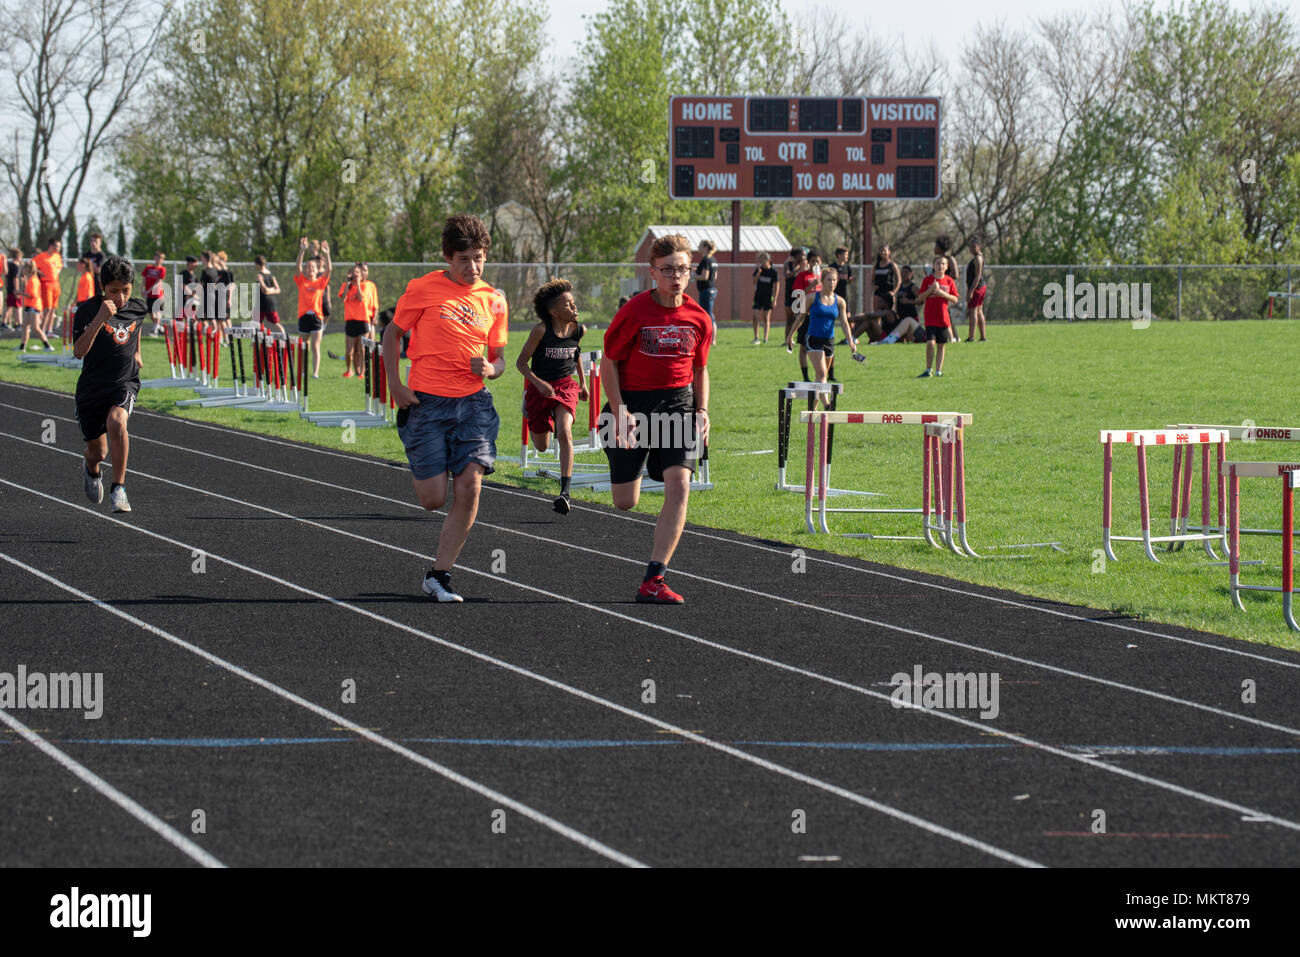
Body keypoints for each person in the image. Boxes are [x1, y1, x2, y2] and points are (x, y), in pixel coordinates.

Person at [384, 214, 507, 603]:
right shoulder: (423, 289)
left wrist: (491, 368)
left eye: (479, 258)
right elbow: (392, 334)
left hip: (473, 404)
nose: (473, 267)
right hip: (427, 403)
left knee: (470, 487)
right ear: (449, 258)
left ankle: (440, 574)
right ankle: (417, 442)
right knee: (433, 499)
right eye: (464, 259)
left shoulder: (494, 300)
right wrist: (396, 386)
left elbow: (499, 359)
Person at [600, 233, 710, 605]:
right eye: (667, 270)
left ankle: (654, 579)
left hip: (679, 405)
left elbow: (700, 369)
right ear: (652, 273)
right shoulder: (633, 312)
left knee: (680, 485)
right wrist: (618, 410)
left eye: (682, 269)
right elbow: (608, 362)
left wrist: (702, 410)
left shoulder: (698, 317)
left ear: (690, 271)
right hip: (632, 405)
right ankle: (629, 456)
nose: (675, 276)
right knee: (624, 502)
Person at [71, 256, 145, 513]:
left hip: (123, 383)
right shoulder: (87, 311)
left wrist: (137, 354)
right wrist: (101, 318)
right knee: (97, 452)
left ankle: (119, 488)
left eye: (125, 290)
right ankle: (91, 469)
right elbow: (79, 351)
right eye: (114, 291)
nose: (120, 297)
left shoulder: (138, 308)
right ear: (103, 288)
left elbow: (135, 329)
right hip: (92, 389)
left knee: (117, 422)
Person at [517, 277, 589, 514]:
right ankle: (530, 411)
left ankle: (565, 492)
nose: (574, 307)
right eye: (568, 304)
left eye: (574, 303)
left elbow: (576, 354)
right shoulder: (540, 331)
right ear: (553, 311)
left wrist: (583, 383)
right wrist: (538, 384)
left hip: (566, 386)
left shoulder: (579, 329)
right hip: (539, 389)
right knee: (542, 446)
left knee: (564, 431)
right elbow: (521, 363)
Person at [803, 264, 861, 403]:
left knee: (821, 376)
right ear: (822, 281)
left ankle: (813, 408)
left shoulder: (840, 301)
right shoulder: (812, 298)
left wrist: (850, 341)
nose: (832, 283)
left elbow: (844, 323)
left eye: (834, 280)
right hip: (813, 338)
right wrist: (790, 335)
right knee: (822, 374)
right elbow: (800, 316)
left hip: (829, 340)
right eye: (829, 280)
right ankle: (828, 406)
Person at [294, 238, 332, 377]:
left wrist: (327, 254)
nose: (310, 269)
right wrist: (302, 250)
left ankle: (315, 373)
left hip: (316, 317)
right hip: (303, 316)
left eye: (313, 267)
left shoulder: (320, 282)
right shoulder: (302, 281)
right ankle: (303, 371)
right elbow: (297, 267)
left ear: (317, 270)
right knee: (304, 346)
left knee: (315, 347)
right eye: (308, 267)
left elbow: (329, 270)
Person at [916, 255, 959, 377]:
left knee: (941, 345)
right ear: (933, 266)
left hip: (943, 318)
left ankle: (938, 371)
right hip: (930, 318)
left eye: (943, 264)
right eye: (938, 263)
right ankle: (928, 370)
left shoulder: (949, 281)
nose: (941, 266)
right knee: (930, 343)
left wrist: (942, 293)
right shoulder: (927, 280)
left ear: (947, 266)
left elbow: (955, 298)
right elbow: (920, 298)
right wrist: (931, 290)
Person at [785, 250, 822, 381]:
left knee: (823, 346)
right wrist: (811, 286)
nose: (815, 264)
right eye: (813, 261)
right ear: (808, 262)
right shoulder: (802, 276)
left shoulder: (823, 276)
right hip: (806, 315)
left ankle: (826, 374)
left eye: (818, 261)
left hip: (820, 316)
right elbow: (798, 296)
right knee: (804, 346)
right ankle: (806, 377)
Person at [339, 262, 378, 377]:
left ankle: (361, 372)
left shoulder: (366, 286)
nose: (355, 274)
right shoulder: (346, 285)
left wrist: (358, 284)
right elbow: (343, 299)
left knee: (362, 349)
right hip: (350, 320)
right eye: (353, 272)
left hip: (363, 320)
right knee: (349, 351)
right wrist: (348, 284)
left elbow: (361, 299)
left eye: (357, 273)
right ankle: (349, 370)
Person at [867, 265, 923, 344]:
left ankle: (887, 341)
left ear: (911, 274)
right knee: (902, 340)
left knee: (911, 340)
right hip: (901, 317)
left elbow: (921, 301)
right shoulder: (900, 286)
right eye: (902, 272)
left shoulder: (913, 287)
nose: (904, 274)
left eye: (906, 272)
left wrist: (909, 301)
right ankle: (887, 341)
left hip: (911, 316)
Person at [17, 261, 52, 351]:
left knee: (35, 328)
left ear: (29, 269)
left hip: (34, 306)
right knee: (25, 326)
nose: (23, 270)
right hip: (29, 306)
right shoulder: (30, 279)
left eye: (24, 268)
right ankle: (22, 346)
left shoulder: (33, 280)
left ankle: (47, 345)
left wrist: (20, 293)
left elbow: (32, 295)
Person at [32, 238, 62, 337]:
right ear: (51, 246)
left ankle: (49, 331)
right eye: (57, 246)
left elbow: (59, 267)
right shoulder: (42, 256)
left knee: (53, 308)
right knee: (47, 308)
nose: (59, 248)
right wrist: (40, 273)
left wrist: (56, 272)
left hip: (56, 284)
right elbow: (32, 265)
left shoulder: (57, 256)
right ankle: (42, 330)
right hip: (46, 284)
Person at [934, 235, 961, 341]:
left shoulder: (950, 259)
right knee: (945, 314)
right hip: (937, 290)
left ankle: (954, 337)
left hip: (946, 290)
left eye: (935, 245)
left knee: (946, 313)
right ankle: (954, 336)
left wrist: (944, 279)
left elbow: (956, 275)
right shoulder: (936, 260)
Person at [751, 252, 779, 344]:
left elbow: (776, 286)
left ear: (769, 260)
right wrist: (758, 273)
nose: (762, 262)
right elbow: (754, 282)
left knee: (766, 317)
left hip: (768, 297)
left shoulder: (773, 272)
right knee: (755, 316)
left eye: (764, 259)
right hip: (758, 296)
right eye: (761, 259)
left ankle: (765, 339)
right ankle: (756, 338)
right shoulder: (758, 270)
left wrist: (774, 299)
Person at [694, 239, 719, 341]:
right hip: (712, 289)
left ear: (705, 247)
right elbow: (715, 276)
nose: (698, 247)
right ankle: (712, 338)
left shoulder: (706, 260)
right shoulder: (713, 260)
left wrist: (694, 275)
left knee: (707, 315)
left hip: (706, 291)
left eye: (700, 246)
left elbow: (705, 276)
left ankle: (711, 339)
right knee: (710, 314)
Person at [254, 255, 282, 334]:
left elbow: (264, 290)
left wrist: (267, 290)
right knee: (274, 323)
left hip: (263, 302)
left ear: (257, 264)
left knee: (255, 323)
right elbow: (277, 289)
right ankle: (283, 337)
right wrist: (272, 290)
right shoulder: (271, 275)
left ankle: (257, 339)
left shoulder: (259, 275)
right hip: (270, 301)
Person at [781, 246, 803, 347]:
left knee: (799, 317)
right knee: (789, 319)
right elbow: (787, 275)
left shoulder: (805, 266)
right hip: (790, 294)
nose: (803, 257)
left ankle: (798, 338)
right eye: (801, 254)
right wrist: (796, 269)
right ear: (796, 255)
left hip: (800, 294)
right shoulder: (788, 265)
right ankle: (787, 339)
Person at [966, 239, 988, 341]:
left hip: (977, 288)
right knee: (979, 311)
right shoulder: (978, 257)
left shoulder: (978, 259)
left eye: (974, 247)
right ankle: (983, 337)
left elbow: (977, 276)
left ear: (979, 247)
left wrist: (971, 291)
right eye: (970, 247)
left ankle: (971, 337)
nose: (971, 249)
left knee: (973, 311)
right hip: (980, 287)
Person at [141, 251, 167, 335]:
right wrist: (142, 289)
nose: (158, 260)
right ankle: (158, 326)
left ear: (162, 260)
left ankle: (154, 330)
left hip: (158, 294)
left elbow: (158, 282)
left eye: (160, 258)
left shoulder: (162, 269)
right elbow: (144, 279)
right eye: (156, 257)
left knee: (157, 311)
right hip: (149, 295)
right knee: (150, 312)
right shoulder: (148, 268)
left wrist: (148, 290)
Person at [4, 247, 22, 331]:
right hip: (14, 290)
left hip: (10, 289)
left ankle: (4, 323)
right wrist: (17, 290)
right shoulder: (15, 266)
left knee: (8, 306)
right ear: (18, 256)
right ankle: (18, 324)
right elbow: (15, 279)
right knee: (18, 307)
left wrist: (7, 287)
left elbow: (6, 277)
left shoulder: (9, 265)